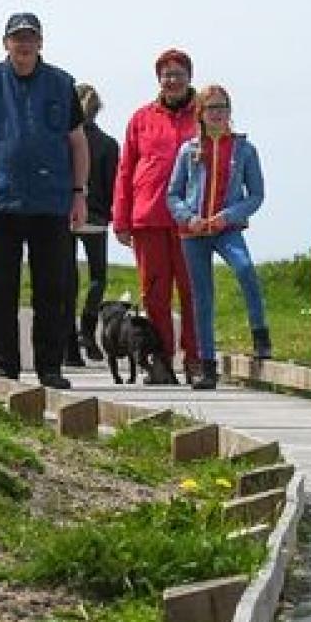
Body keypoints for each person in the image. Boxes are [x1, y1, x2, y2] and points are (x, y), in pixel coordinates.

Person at [0, 12, 86, 388]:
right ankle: (5, 367)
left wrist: (79, 193)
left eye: (30, 38)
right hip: (0, 200)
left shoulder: (62, 84)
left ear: (41, 42)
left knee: (52, 288)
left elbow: (78, 141)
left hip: (51, 201)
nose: (23, 44)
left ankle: (49, 366)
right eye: (17, 38)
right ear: (5, 43)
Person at [166, 84, 270, 391]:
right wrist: (189, 217)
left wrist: (230, 215)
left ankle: (260, 333)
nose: (218, 114)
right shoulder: (188, 150)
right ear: (200, 113)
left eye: (223, 107)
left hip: (227, 230)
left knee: (245, 269)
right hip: (194, 233)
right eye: (212, 108)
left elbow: (257, 195)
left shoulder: (244, 149)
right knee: (202, 297)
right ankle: (207, 366)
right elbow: (173, 194)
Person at [113, 49, 203, 381]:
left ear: (189, 77)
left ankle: (195, 359)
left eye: (179, 73)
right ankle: (161, 359)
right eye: (166, 74)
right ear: (158, 79)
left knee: (193, 290)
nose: (172, 79)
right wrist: (121, 217)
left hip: (190, 220)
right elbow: (126, 169)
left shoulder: (204, 115)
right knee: (154, 293)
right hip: (148, 215)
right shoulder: (141, 118)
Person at [66, 82, 119, 365]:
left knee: (68, 278)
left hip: (68, 214)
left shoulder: (64, 140)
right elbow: (114, 185)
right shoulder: (109, 144)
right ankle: (88, 329)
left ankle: (69, 340)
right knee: (98, 278)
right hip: (97, 218)